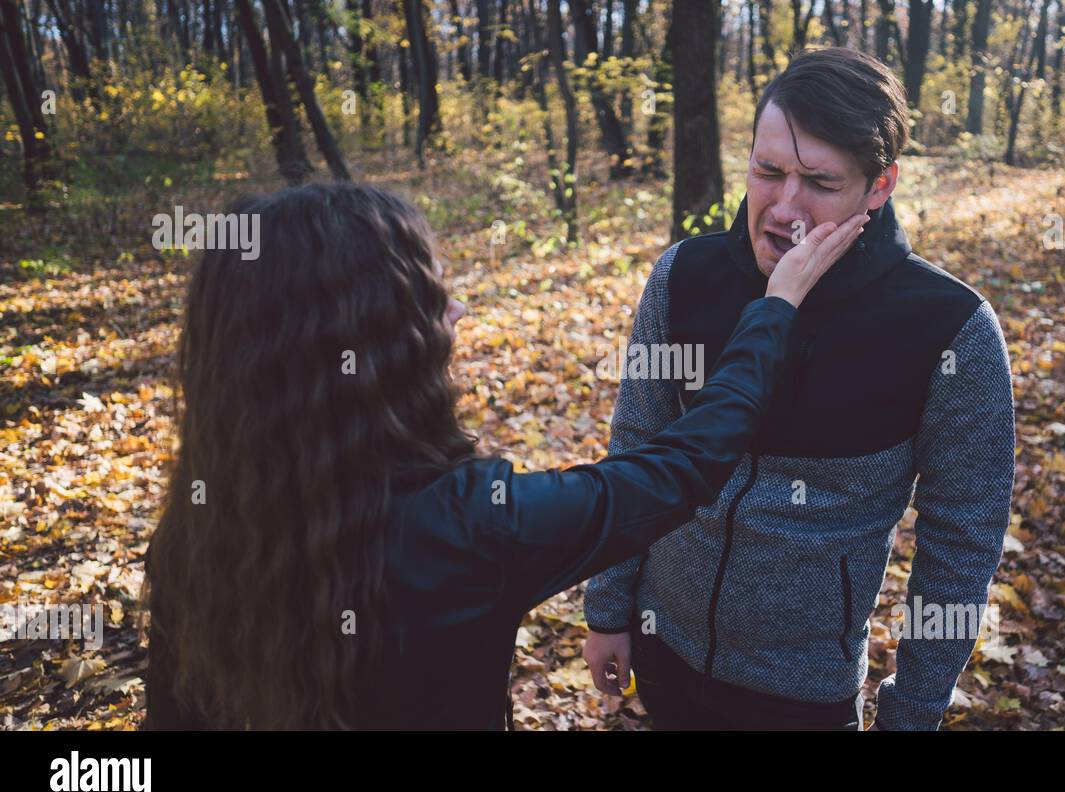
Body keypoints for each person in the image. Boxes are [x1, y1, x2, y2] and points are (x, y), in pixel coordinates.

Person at [141, 182, 868, 730]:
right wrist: (775, 309)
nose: (456, 312)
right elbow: (679, 467)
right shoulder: (470, 530)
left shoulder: (195, 532)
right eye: (429, 296)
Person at [583, 48, 1017, 731]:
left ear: (880, 185)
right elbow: (636, 443)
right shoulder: (685, 276)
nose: (785, 207)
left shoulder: (950, 328)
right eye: (768, 172)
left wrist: (912, 713)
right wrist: (608, 607)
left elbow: (961, 545)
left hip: (803, 695)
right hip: (657, 650)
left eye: (819, 180)